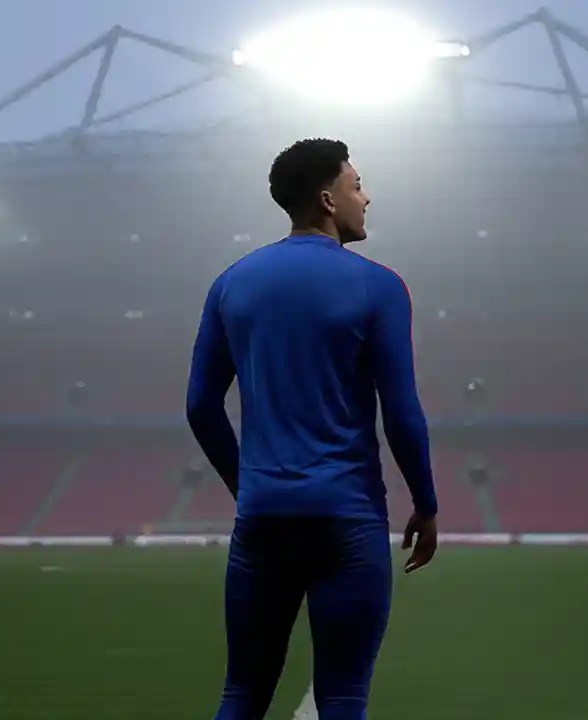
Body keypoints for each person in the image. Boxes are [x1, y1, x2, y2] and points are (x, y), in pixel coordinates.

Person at [187, 138, 439, 720]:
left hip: (264, 516)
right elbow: (400, 412)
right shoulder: (380, 286)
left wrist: (247, 484)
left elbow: (201, 405)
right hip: (345, 518)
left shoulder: (232, 283)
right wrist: (425, 504)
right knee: (344, 696)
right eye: (356, 186)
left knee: (243, 693)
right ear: (328, 199)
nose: (366, 198)